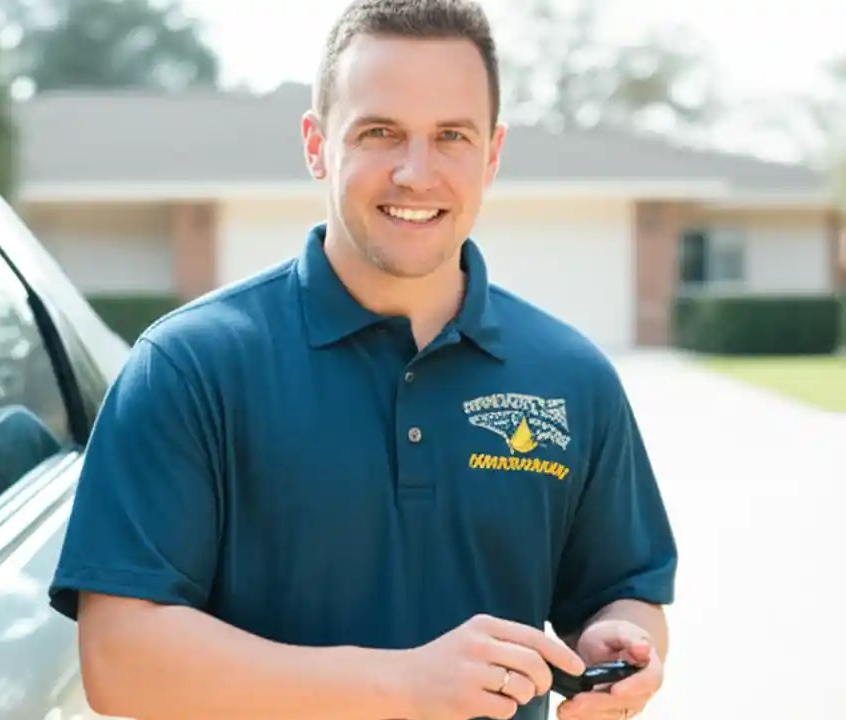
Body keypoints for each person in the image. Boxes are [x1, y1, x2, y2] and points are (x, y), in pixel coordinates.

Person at [47, 1, 678, 718]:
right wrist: (404, 685)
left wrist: (618, 643)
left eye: (452, 136)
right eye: (381, 132)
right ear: (317, 144)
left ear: (493, 154)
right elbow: (120, 661)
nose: (417, 173)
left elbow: (625, 589)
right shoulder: (190, 368)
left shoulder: (571, 377)